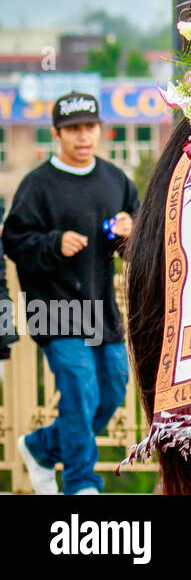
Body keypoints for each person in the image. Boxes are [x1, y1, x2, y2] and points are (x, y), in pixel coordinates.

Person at [1, 92, 138, 494]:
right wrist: (53, 243)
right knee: (80, 388)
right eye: (73, 129)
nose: (83, 137)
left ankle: (42, 446)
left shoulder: (116, 180)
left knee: (112, 388)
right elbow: (13, 240)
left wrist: (126, 235)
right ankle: (81, 484)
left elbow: (137, 238)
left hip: (103, 311)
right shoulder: (37, 185)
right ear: (56, 134)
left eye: (89, 127)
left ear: (100, 130)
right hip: (54, 311)